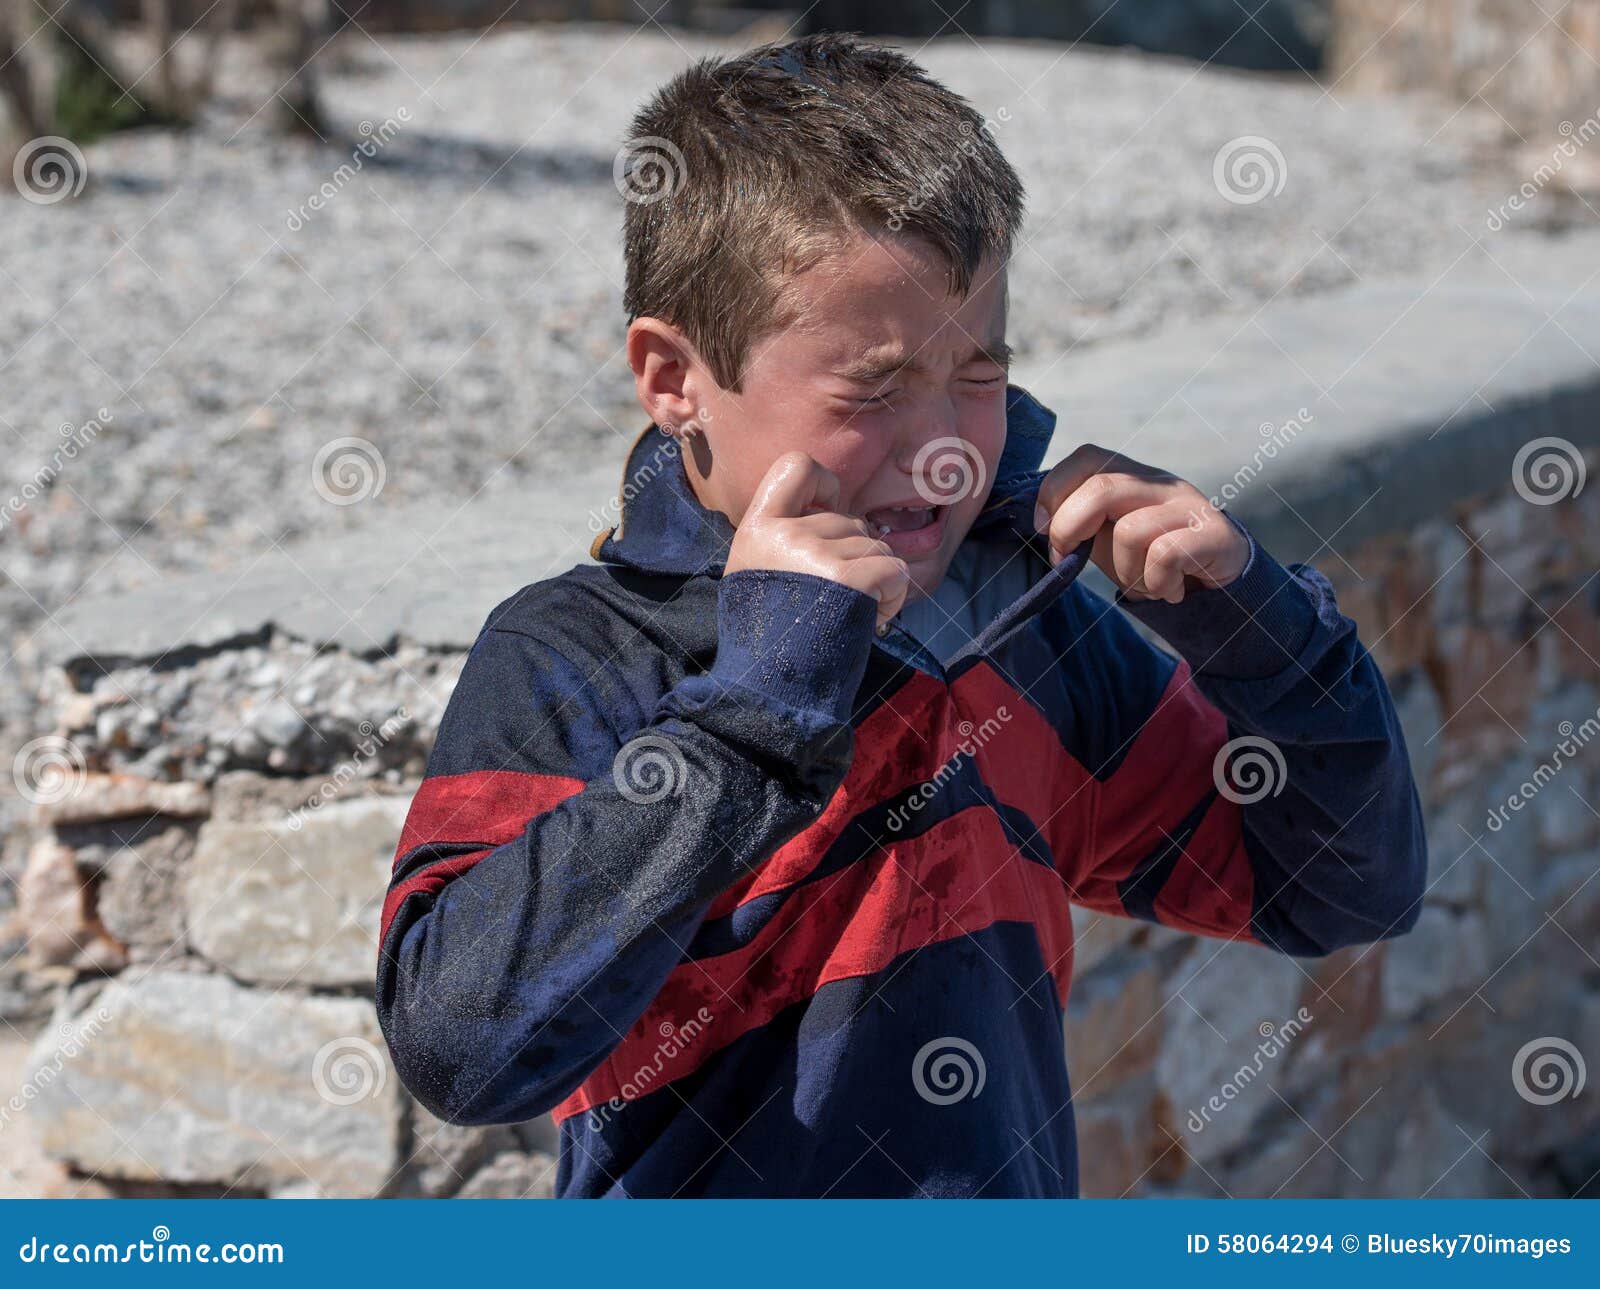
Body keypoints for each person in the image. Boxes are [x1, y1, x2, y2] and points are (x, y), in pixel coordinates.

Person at [376, 33, 1426, 1198]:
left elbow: (1337, 886)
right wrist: (760, 708)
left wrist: (1265, 637)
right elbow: (462, 1050)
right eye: (872, 389)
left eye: (978, 376)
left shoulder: (1015, 624)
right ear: (674, 378)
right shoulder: (579, 652)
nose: (940, 458)